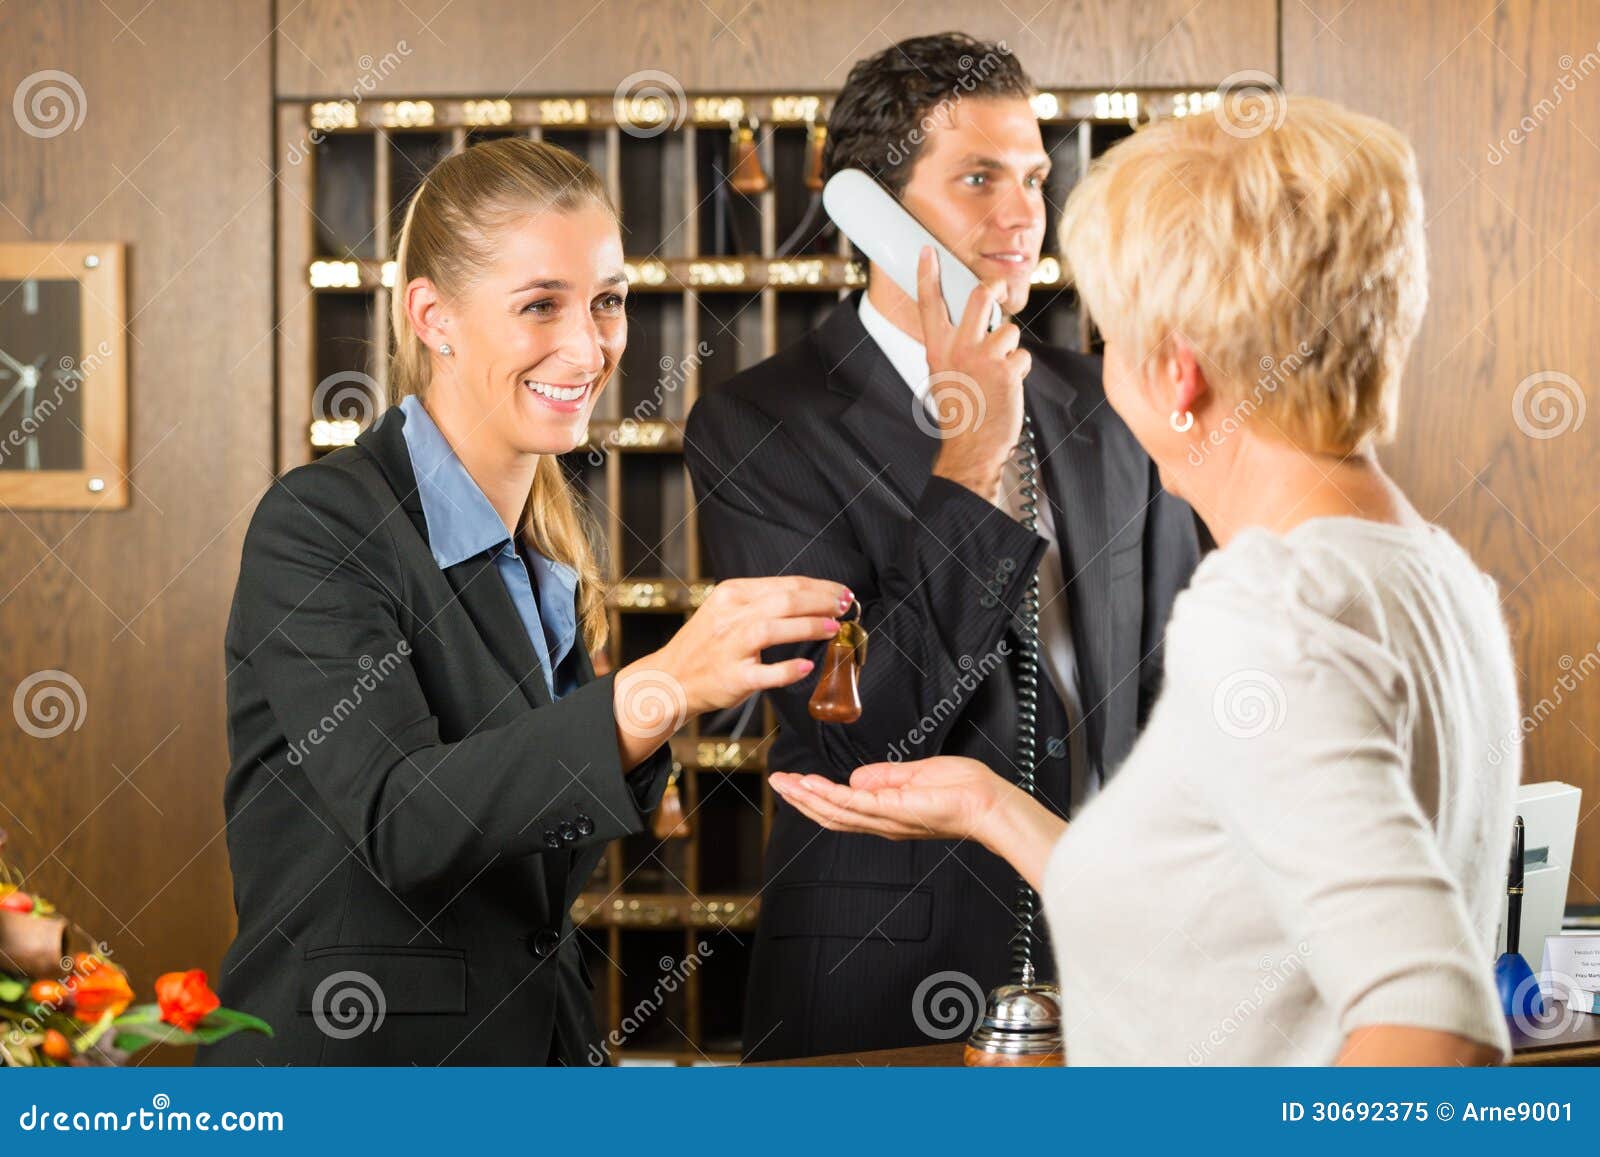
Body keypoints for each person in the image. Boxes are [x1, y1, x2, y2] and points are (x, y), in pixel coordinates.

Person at [771, 96, 1520, 1066]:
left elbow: (1430, 1020)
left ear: (1176, 373)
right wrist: (991, 807)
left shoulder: (1265, 611)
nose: (1094, 372)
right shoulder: (1432, 569)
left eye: (1109, 338)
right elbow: (1250, 927)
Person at [199, 138, 848, 1066]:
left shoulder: (541, 549)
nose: (588, 346)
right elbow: (402, 820)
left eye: (608, 302)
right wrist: (656, 687)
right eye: (541, 304)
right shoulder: (322, 523)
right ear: (435, 316)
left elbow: (524, 862)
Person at [683, 32, 1201, 1060]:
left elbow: (1176, 688)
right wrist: (971, 454)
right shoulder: (760, 426)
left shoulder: (1107, 404)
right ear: (862, 208)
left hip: (1115, 961)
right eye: (978, 179)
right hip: (884, 980)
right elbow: (862, 736)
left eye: (1033, 178)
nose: (1021, 216)